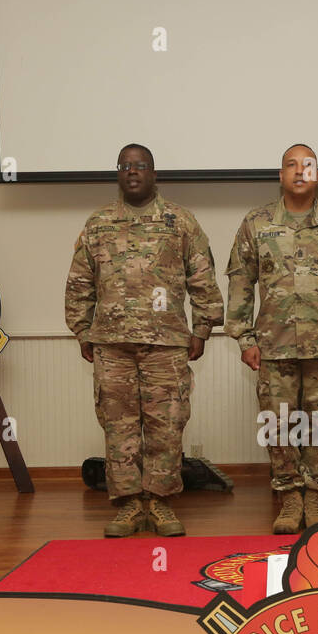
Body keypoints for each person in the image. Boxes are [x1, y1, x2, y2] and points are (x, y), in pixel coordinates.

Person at [65, 143, 224, 537]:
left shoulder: (180, 221)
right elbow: (79, 283)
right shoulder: (98, 223)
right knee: (118, 426)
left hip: (166, 343)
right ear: (117, 173)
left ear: (154, 174)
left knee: (166, 424)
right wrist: (83, 331)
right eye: (125, 166)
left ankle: (161, 503)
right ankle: (129, 506)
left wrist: (202, 329)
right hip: (111, 344)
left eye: (140, 166)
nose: (132, 172)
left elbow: (202, 277)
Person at [226, 143, 318, 533]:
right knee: (278, 423)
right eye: (290, 165)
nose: (299, 171)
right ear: (280, 175)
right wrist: (244, 338)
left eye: (307, 165)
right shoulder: (256, 223)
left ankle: (315, 497)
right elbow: (241, 282)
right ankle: (289, 496)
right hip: (273, 346)